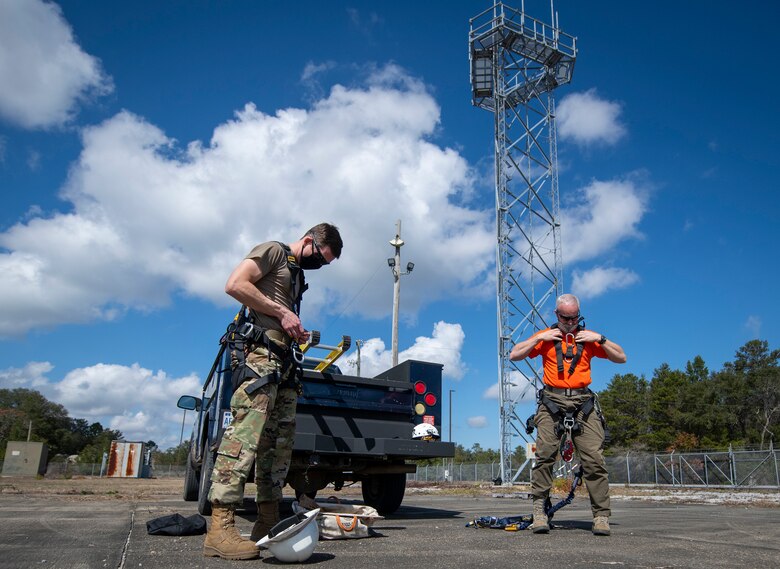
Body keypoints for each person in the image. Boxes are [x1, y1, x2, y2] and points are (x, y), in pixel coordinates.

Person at [203, 223, 343, 560]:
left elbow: (281, 313)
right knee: (243, 439)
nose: (319, 266)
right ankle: (219, 530)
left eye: (325, 264)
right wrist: (282, 312)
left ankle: (267, 521)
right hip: (260, 361)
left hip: (285, 365)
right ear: (310, 240)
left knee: (278, 447)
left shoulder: (297, 277)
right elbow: (235, 284)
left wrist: (294, 329)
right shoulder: (273, 252)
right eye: (320, 258)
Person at [510, 293, 626, 536]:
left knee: (594, 459)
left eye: (575, 318)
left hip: (583, 401)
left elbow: (621, 357)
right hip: (552, 400)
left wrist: (601, 339)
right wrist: (538, 338)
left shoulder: (589, 338)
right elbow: (515, 354)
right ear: (556, 315)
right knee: (544, 456)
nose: (571, 323)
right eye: (566, 318)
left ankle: (601, 516)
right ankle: (540, 511)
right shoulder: (546, 337)